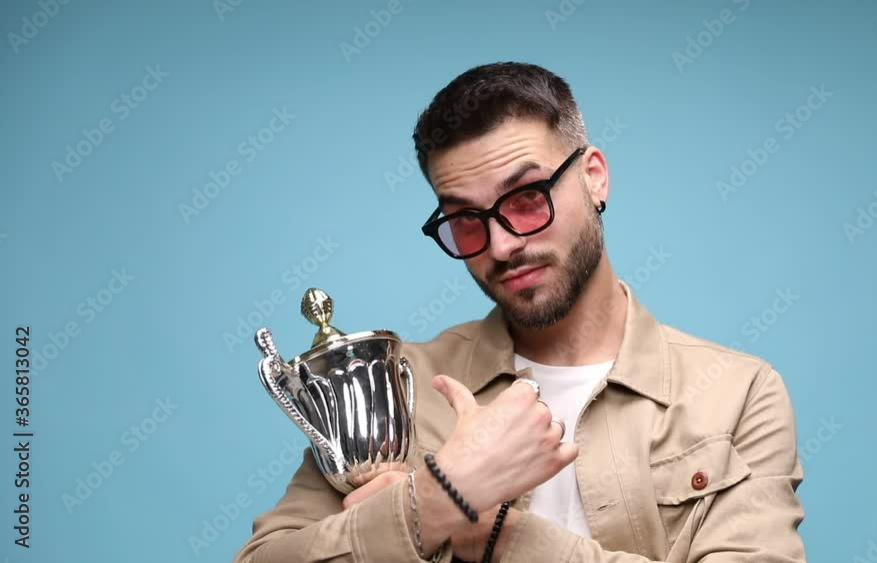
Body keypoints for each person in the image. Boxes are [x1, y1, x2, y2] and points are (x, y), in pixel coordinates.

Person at [234, 62, 807, 563]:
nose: (502, 245)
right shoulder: (399, 384)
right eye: (464, 219)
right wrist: (438, 499)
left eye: (527, 197)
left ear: (594, 177)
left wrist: (492, 535)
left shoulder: (737, 394)